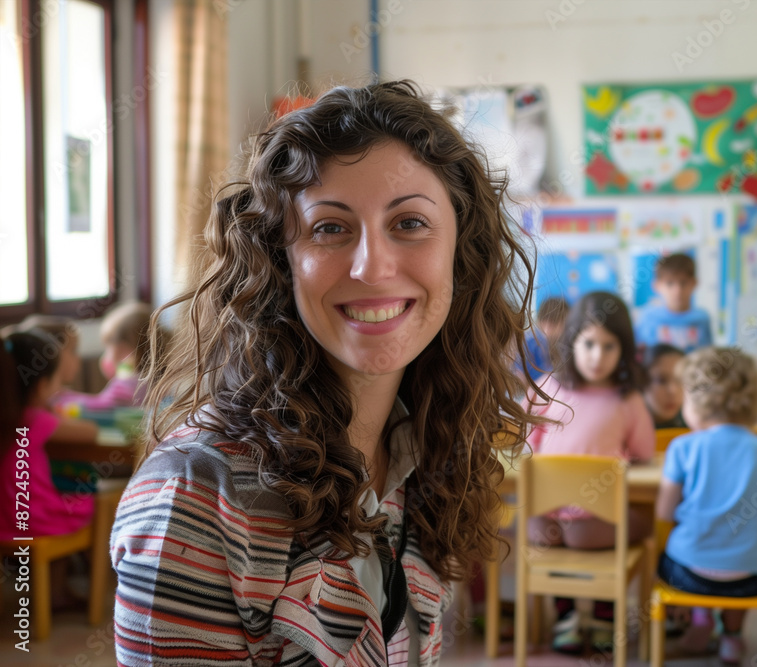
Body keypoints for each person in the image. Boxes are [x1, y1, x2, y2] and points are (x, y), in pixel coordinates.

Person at [109, 81, 543, 667]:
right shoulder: (193, 497)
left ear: (459, 255)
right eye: (330, 228)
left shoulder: (428, 447)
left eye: (410, 223)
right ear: (279, 261)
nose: (372, 267)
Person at [656, 347, 757, 665]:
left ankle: (701, 618)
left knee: (678, 553)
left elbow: (664, 512)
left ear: (696, 402)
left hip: (689, 575)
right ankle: (732, 639)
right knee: (738, 558)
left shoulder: (682, 448)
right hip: (754, 580)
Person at [523, 290, 655, 654]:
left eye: (608, 347)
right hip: (590, 529)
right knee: (646, 519)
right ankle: (603, 615)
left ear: (622, 350)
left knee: (539, 521)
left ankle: (565, 617)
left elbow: (525, 445)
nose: (598, 357)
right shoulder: (628, 399)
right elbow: (644, 454)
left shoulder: (546, 385)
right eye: (590, 344)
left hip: (540, 527)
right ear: (572, 342)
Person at [0, 331, 101, 607]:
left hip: (5, 518)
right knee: (91, 503)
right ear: (41, 386)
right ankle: (65, 591)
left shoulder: (8, 418)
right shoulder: (36, 419)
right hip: (33, 518)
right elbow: (89, 433)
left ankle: (53, 590)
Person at [54, 301, 158, 412]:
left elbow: (99, 406)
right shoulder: (156, 380)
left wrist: (64, 398)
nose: (104, 356)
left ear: (125, 352)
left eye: (107, 348)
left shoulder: (125, 384)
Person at [635, 253, 712, 354]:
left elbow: (707, 354)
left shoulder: (702, 318)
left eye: (683, 283)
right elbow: (639, 354)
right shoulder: (648, 317)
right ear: (657, 285)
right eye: (669, 283)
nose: (677, 291)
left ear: (694, 283)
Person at [523, 296, 569, 381]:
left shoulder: (567, 345)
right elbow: (520, 377)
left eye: (553, 323)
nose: (546, 329)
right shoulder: (530, 342)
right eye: (545, 321)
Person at [644, 343, 686, 428]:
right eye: (661, 380)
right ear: (642, 382)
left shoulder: (695, 427)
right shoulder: (624, 430)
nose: (673, 391)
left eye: (680, 379)